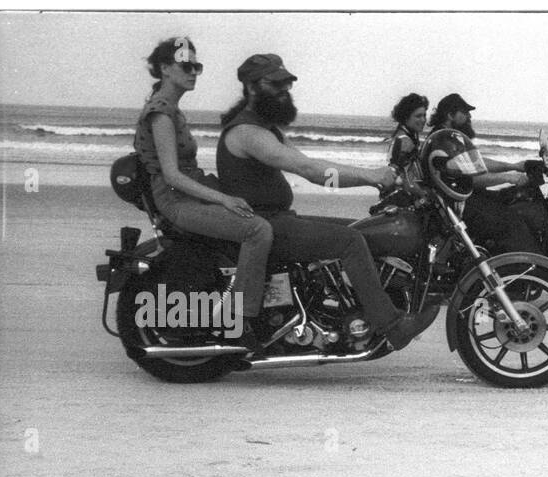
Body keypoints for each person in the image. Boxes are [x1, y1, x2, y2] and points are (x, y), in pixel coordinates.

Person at [217, 54, 423, 349]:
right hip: (265, 224)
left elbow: (311, 164)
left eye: (286, 84)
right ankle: (391, 325)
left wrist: (375, 176)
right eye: (275, 84)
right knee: (350, 240)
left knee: (360, 229)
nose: (283, 90)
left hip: (280, 219)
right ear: (251, 87)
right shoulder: (247, 132)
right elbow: (310, 172)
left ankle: (346, 307)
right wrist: (370, 177)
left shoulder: (266, 130)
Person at [133, 37, 272, 342]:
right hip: (177, 201)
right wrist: (223, 198)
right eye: (186, 65)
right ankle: (239, 318)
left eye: (197, 66)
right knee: (257, 231)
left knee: (258, 212)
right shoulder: (161, 113)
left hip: (188, 194)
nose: (193, 71)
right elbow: (172, 175)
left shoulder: (171, 109)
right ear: (165, 68)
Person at [427, 93, 541, 254]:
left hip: (464, 200)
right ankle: (522, 271)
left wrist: (514, 166)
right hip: (456, 206)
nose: (469, 116)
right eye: (464, 112)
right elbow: (471, 179)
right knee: (511, 222)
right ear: (450, 115)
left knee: (512, 200)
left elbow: (478, 162)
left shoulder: (451, 137)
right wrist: (509, 177)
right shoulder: (443, 141)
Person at [387, 92, 428, 171]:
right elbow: (398, 175)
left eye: (424, 115)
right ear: (406, 117)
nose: (423, 120)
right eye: (418, 116)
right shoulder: (404, 140)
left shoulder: (406, 135)